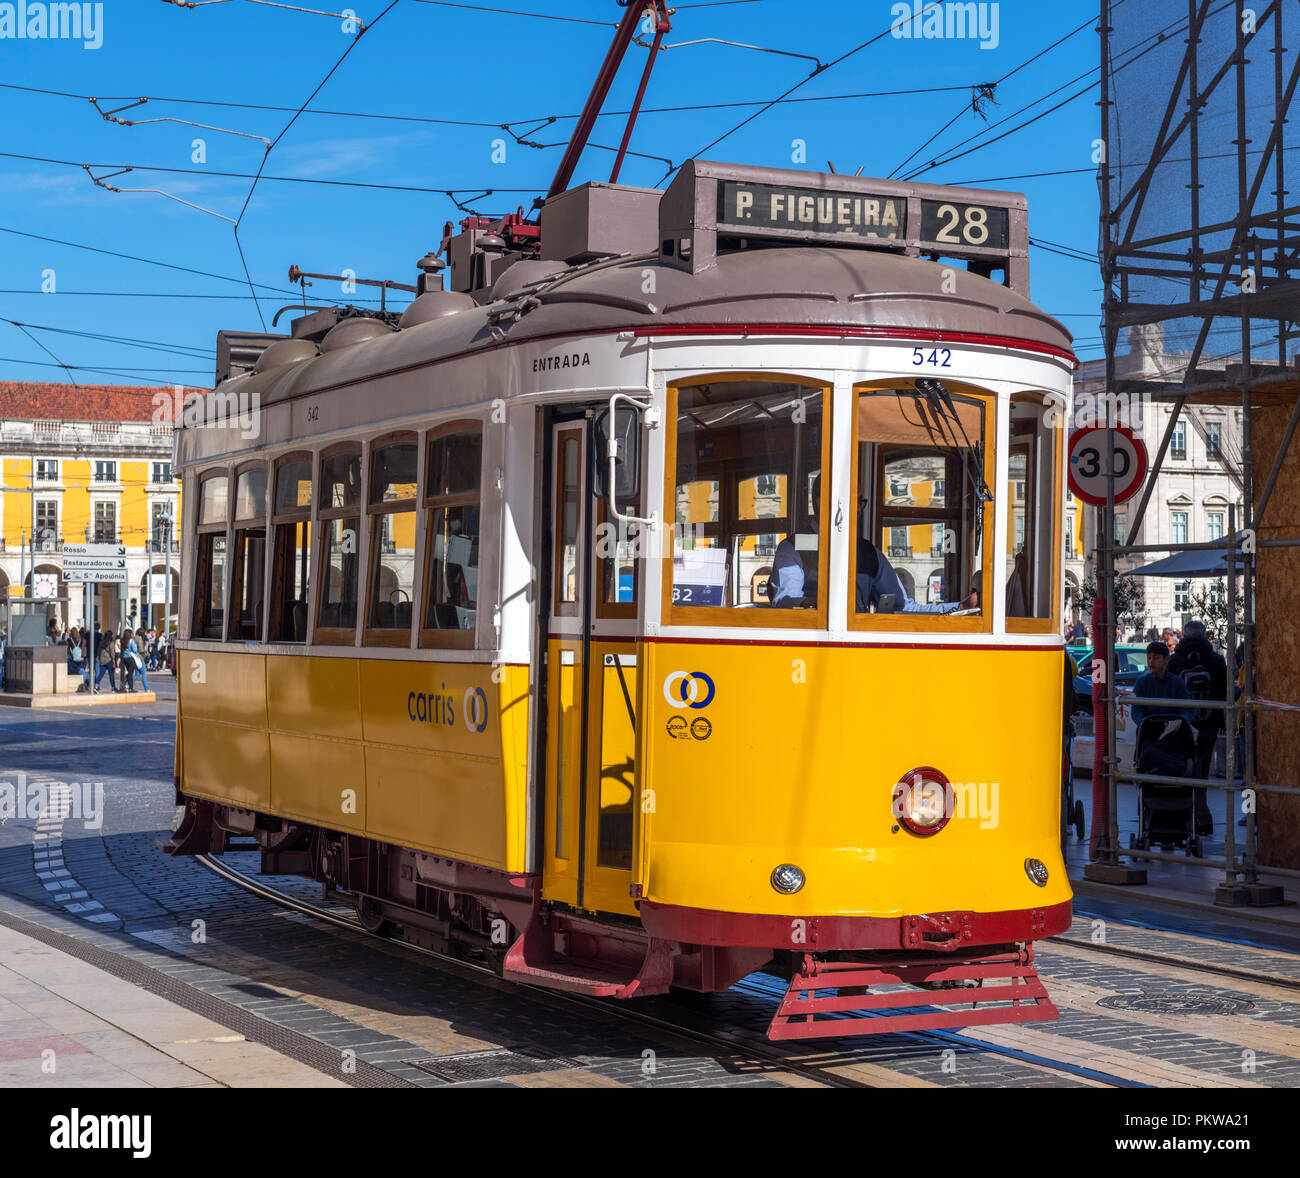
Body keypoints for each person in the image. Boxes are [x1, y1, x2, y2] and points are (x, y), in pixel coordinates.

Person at [855, 541, 972, 614]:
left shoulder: (870, 554)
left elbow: (904, 608)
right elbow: (905, 608)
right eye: (860, 503)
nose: (859, 509)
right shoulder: (869, 554)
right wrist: (961, 607)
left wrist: (961, 607)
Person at [1130, 641, 1193, 728]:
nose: (1151, 662)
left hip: (1173, 733)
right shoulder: (1142, 682)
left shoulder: (1177, 682)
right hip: (1148, 732)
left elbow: (1187, 709)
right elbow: (1136, 711)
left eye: (1156, 658)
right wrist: (1145, 724)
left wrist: (1179, 722)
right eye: (1149, 658)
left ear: (1166, 660)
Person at [95, 628, 117, 692]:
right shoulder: (111, 643)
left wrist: (99, 658)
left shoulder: (101, 642)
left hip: (102, 660)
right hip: (109, 660)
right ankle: (113, 688)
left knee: (101, 674)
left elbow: (99, 651)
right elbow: (112, 652)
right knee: (111, 675)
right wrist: (114, 661)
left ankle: (96, 686)